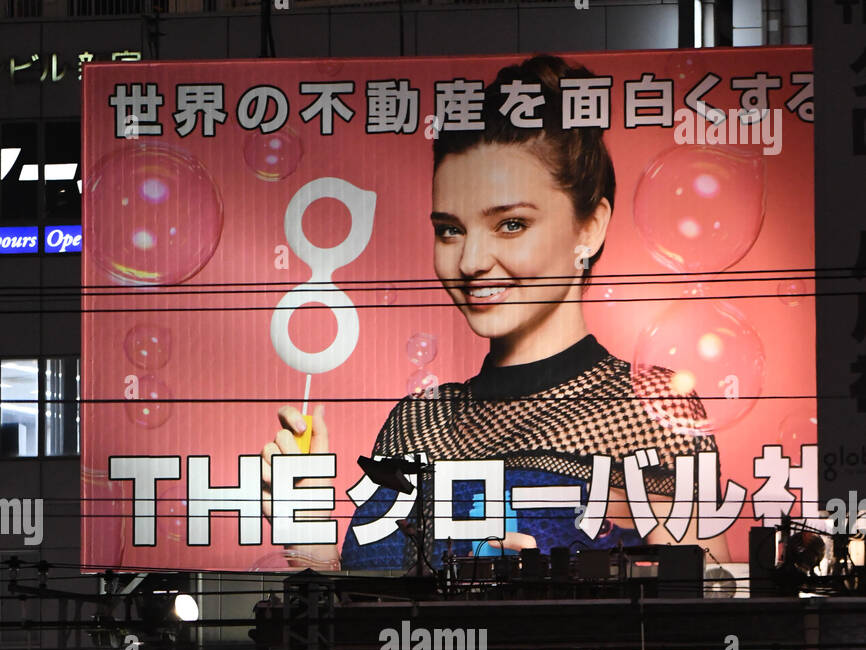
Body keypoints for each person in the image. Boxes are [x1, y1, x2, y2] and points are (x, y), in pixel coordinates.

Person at [261, 53, 728, 570]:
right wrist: (307, 531)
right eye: (450, 229)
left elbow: (696, 631)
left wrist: (551, 604)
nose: (471, 262)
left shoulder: (648, 412)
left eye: (511, 224)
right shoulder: (418, 422)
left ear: (589, 227)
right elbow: (369, 633)